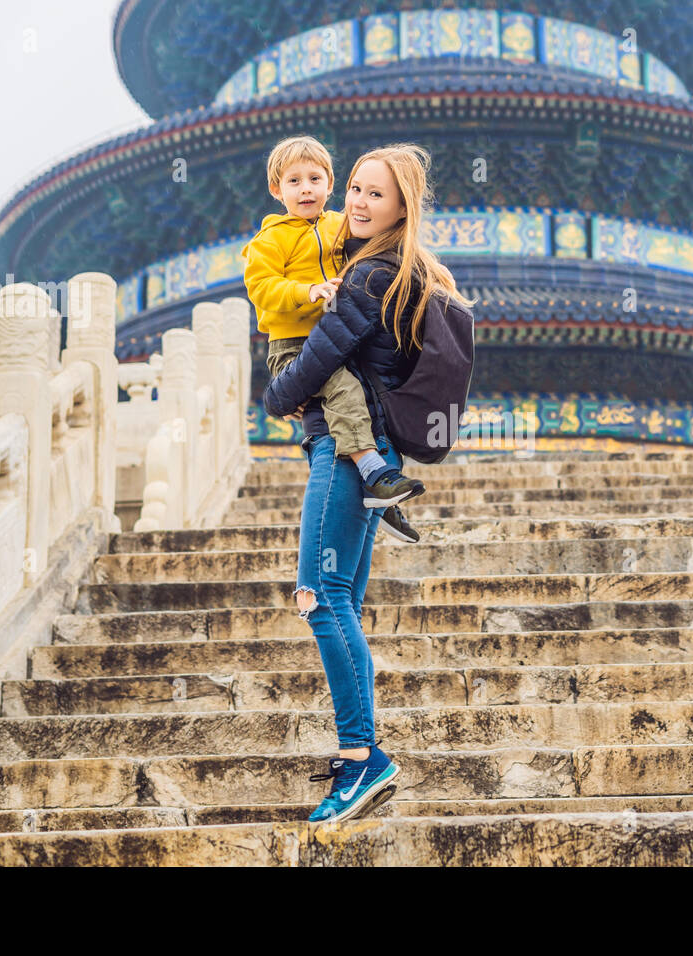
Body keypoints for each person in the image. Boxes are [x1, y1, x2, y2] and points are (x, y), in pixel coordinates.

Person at [263, 143, 475, 823]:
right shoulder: (401, 270)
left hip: (344, 449)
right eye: (352, 187)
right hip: (372, 450)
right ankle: (362, 757)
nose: (355, 201)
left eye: (373, 194)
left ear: (400, 206)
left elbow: (308, 367)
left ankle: (361, 759)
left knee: (317, 596)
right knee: (341, 598)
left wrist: (275, 398)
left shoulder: (365, 279)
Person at [241, 134, 426, 539]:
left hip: (332, 340)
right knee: (343, 389)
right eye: (293, 181)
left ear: (330, 183)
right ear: (276, 190)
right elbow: (261, 288)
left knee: (369, 398)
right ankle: (373, 471)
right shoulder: (269, 240)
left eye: (314, 178)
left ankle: (383, 501)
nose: (305, 188)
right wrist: (306, 292)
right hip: (293, 346)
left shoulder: (338, 224)